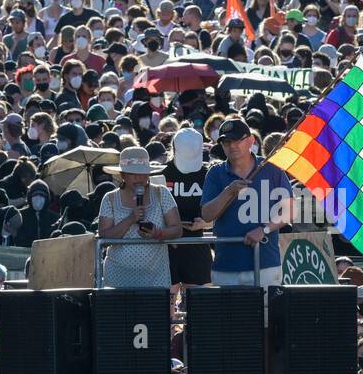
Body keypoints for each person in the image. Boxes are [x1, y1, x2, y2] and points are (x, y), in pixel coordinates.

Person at [199, 117, 292, 287]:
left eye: (236, 140)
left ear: (251, 140)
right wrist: (229, 192)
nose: (232, 145)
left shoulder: (271, 169)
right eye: (226, 142)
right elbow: (206, 215)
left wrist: (264, 229)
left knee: (265, 313)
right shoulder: (215, 173)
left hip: (265, 263)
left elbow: (289, 211)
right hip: (226, 265)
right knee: (229, 315)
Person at [97, 145, 182, 288]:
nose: (138, 177)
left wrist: (158, 233)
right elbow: (104, 237)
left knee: (152, 311)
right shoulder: (110, 198)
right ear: (122, 175)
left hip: (155, 276)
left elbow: (177, 229)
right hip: (118, 276)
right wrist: (131, 219)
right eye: (132, 173)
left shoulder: (161, 193)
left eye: (143, 173)